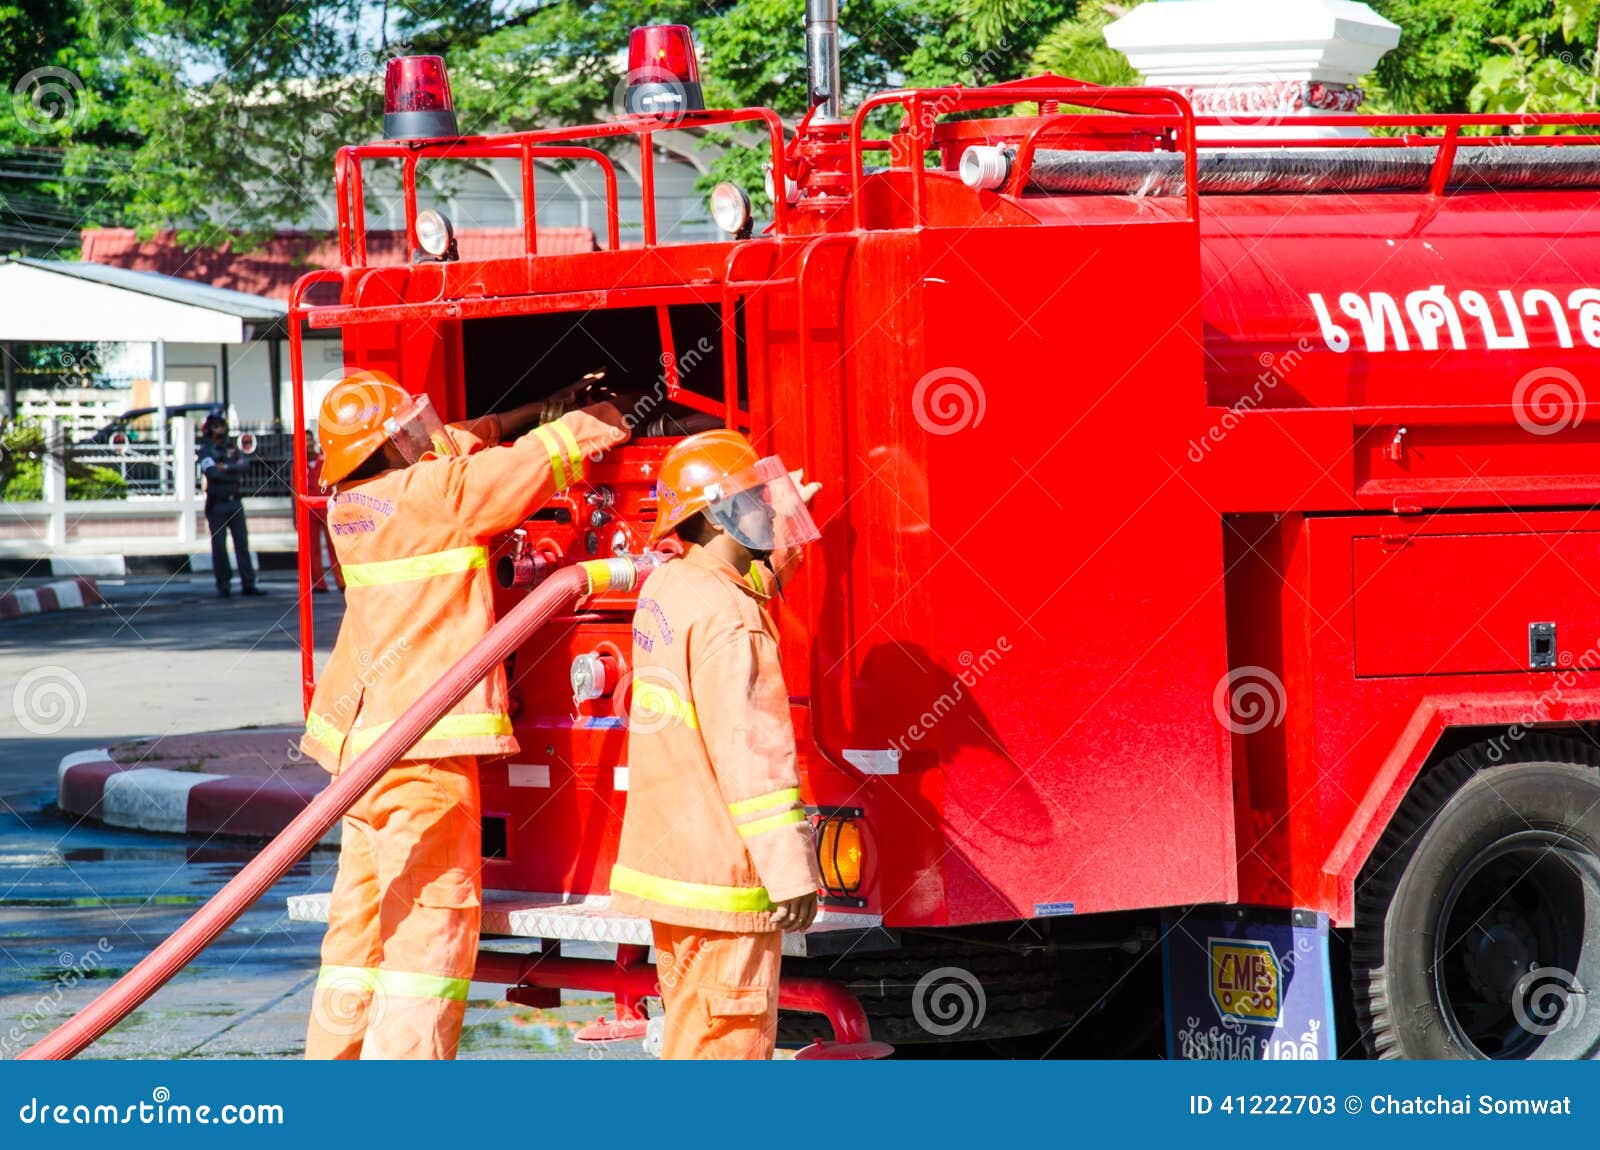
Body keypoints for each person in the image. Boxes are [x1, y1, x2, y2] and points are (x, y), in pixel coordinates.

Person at [301, 373, 629, 1060]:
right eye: (410, 432)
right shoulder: (436, 496)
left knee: (357, 939)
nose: (427, 438)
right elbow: (528, 467)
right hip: (421, 759)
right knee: (429, 943)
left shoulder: (351, 504)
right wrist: (604, 415)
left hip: (361, 756)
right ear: (390, 443)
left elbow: (456, 445)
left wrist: (529, 408)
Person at [609, 427, 824, 1060]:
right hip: (727, 887)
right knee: (724, 1052)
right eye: (757, 498)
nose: (766, 506)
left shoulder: (669, 590)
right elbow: (753, 760)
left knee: (690, 1041)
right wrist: (790, 872)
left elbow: (736, 585)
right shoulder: (734, 624)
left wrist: (785, 529)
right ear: (719, 512)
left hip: (677, 881)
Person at [197, 409, 262, 598]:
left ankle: (248, 584)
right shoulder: (205, 451)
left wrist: (225, 467)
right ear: (209, 429)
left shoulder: (231, 448)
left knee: (242, 543)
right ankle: (223, 585)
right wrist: (231, 472)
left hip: (235, 502)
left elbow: (245, 466)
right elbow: (212, 474)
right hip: (216, 504)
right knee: (219, 546)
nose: (220, 430)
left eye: (222, 426)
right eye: (216, 426)